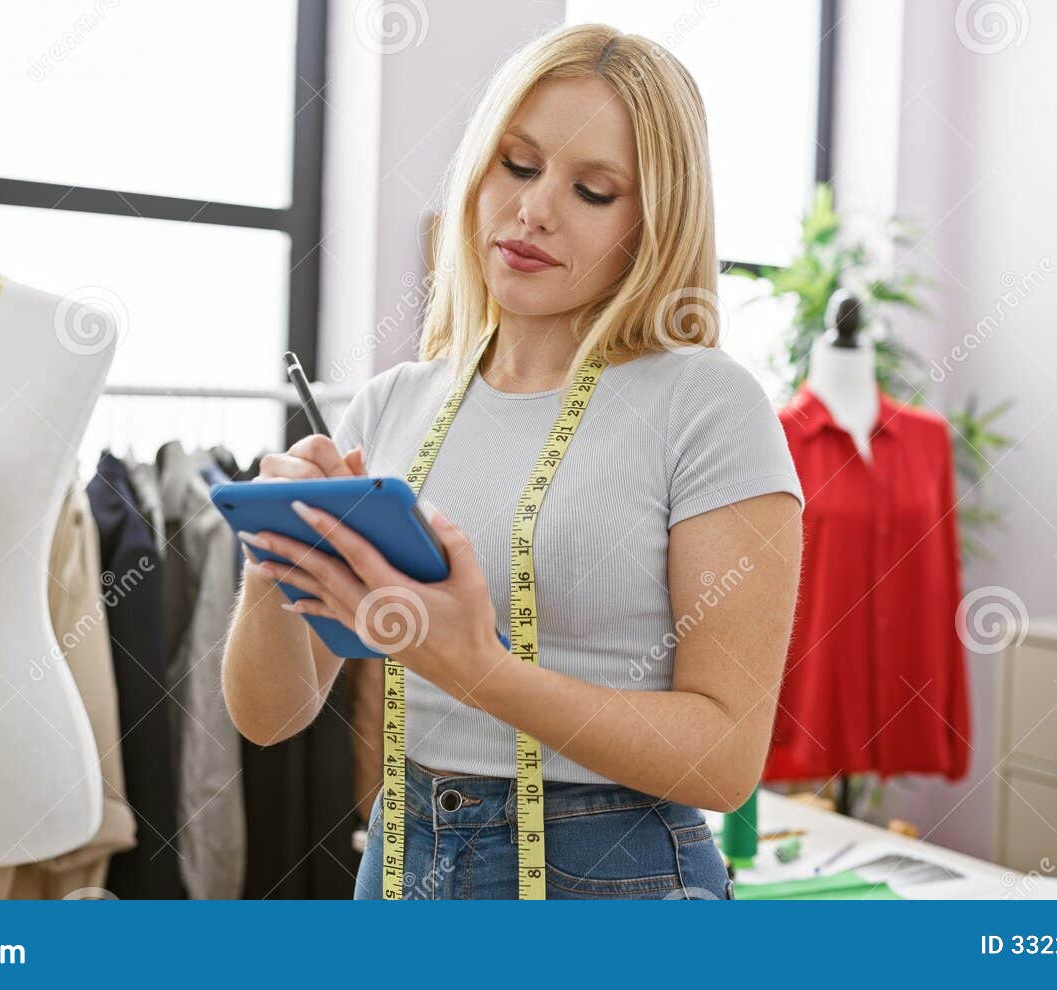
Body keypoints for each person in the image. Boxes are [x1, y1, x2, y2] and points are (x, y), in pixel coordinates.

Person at [222, 22, 804, 900]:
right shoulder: (393, 404)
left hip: (613, 874)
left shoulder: (710, 405)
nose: (534, 210)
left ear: (655, 220)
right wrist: (275, 564)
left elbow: (725, 762)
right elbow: (271, 718)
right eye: (518, 165)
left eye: (594, 190)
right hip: (404, 859)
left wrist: (479, 669)